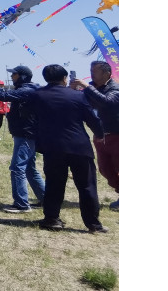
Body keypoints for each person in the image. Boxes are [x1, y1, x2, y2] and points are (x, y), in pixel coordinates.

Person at [24, 64, 106, 232]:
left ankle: (52, 219)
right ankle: (93, 224)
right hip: (79, 146)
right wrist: (99, 134)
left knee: (54, 184)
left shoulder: (37, 96)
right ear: (64, 78)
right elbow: (92, 119)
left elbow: (30, 118)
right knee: (86, 186)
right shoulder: (77, 96)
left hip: (52, 147)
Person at [0, 65, 46, 214]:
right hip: (26, 134)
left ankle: (21, 204)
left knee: (17, 168)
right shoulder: (30, 89)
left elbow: (3, 96)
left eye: (14, 74)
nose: (12, 77)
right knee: (29, 168)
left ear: (22, 76)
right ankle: (46, 199)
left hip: (25, 135)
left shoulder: (26, 90)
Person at [72, 61, 118, 211]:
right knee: (105, 169)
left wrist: (87, 87)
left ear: (107, 74)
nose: (92, 74)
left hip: (117, 134)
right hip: (100, 135)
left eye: (95, 71)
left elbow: (107, 102)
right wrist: (72, 91)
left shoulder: (115, 88)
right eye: (91, 71)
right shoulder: (92, 88)